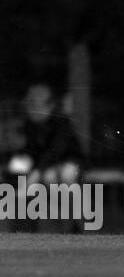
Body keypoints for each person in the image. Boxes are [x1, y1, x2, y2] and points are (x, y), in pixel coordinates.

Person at [8, 83, 83, 232]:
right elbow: (30, 152)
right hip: (46, 166)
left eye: (36, 105)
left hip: (69, 162)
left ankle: (72, 225)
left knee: (63, 176)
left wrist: (36, 172)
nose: (32, 109)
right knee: (45, 178)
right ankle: (57, 227)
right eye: (30, 105)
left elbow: (56, 151)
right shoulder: (30, 125)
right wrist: (23, 164)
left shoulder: (61, 122)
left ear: (50, 106)